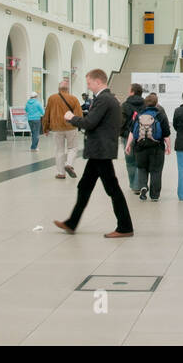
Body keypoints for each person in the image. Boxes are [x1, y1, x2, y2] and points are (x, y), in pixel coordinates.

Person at [53, 69, 133, 238]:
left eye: (89, 83)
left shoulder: (103, 99)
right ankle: (72, 223)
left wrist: (71, 117)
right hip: (100, 150)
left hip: (100, 151)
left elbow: (90, 122)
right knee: (85, 187)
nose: (88, 87)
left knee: (112, 189)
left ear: (98, 82)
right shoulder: (108, 99)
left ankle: (125, 226)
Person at [126, 93, 170, 201]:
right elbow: (166, 134)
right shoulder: (160, 115)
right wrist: (168, 146)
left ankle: (143, 186)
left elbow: (132, 132)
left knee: (142, 168)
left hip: (140, 147)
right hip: (156, 147)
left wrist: (128, 145)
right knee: (156, 171)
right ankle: (154, 196)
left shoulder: (138, 115)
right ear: (156, 103)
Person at [42, 80, 83, 179]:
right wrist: (80, 125)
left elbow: (46, 114)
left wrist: (45, 128)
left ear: (58, 89)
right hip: (71, 127)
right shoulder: (73, 99)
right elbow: (79, 114)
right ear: (68, 89)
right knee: (72, 147)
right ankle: (69, 164)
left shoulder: (52, 98)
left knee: (59, 150)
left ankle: (61, 173)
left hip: (56, 128)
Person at [120, 83, 146, 190]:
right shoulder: (145, 104)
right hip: (142, 136)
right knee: (140, 161)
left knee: (130, 161)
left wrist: (121, 132)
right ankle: (138, 184)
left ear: (132, 92)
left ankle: (133, 184)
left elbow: (121, 122)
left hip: (127, 136)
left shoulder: (125, 105)